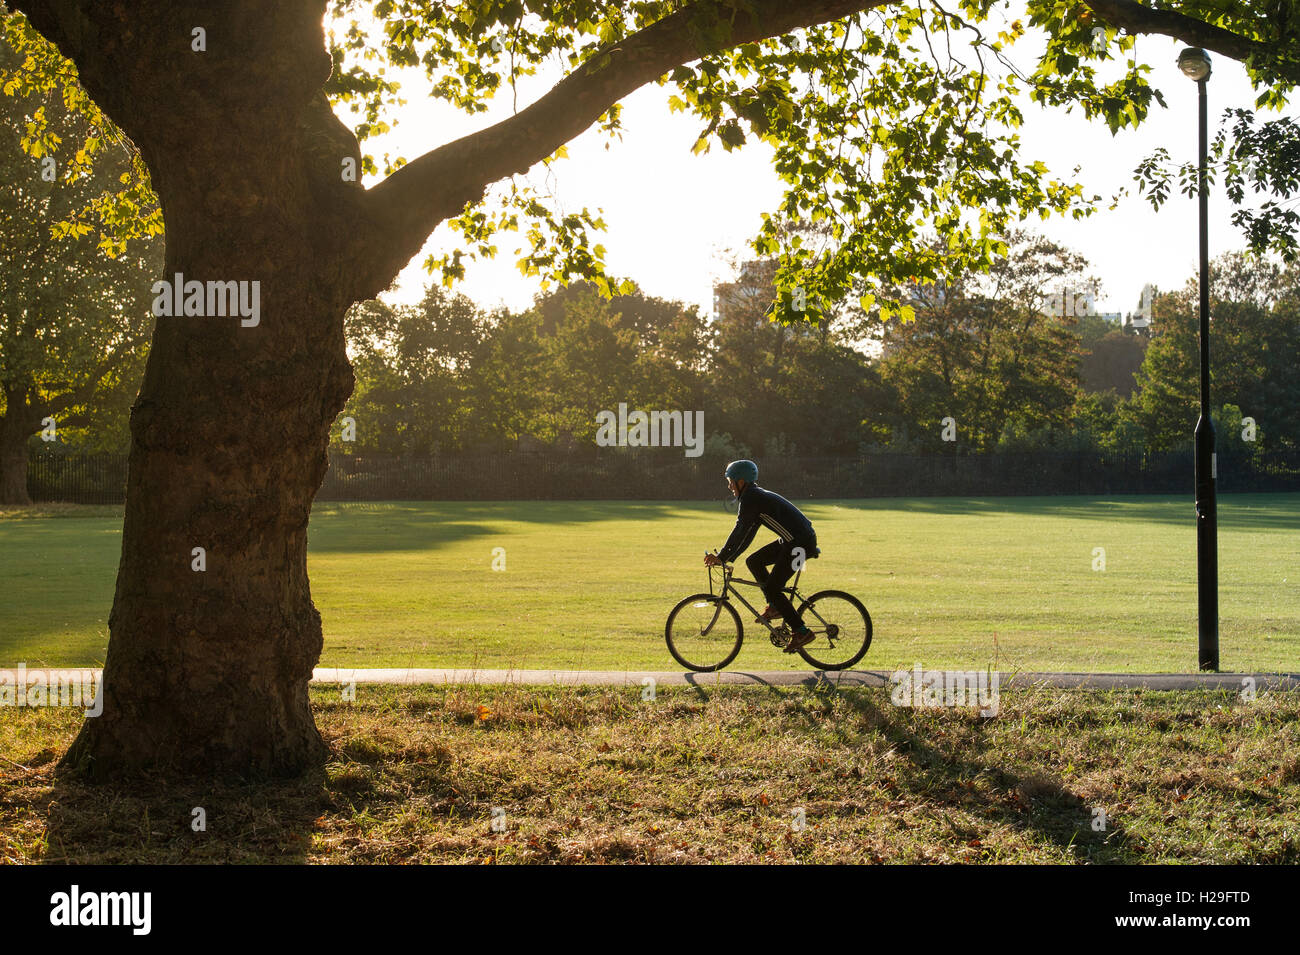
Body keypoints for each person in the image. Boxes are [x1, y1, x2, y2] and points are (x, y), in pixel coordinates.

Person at [704, 459, 820, 653]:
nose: (729, 485)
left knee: (773, 588)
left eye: (731, 481)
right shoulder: (753, 496)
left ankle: (801, 631)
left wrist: (723, 557)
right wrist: (727, 557)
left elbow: (741, 530)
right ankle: (775, 606)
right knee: (754, 561)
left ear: (741, 481)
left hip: (800, 543)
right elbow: (748, 533)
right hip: (794, 540)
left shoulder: (751, 498)